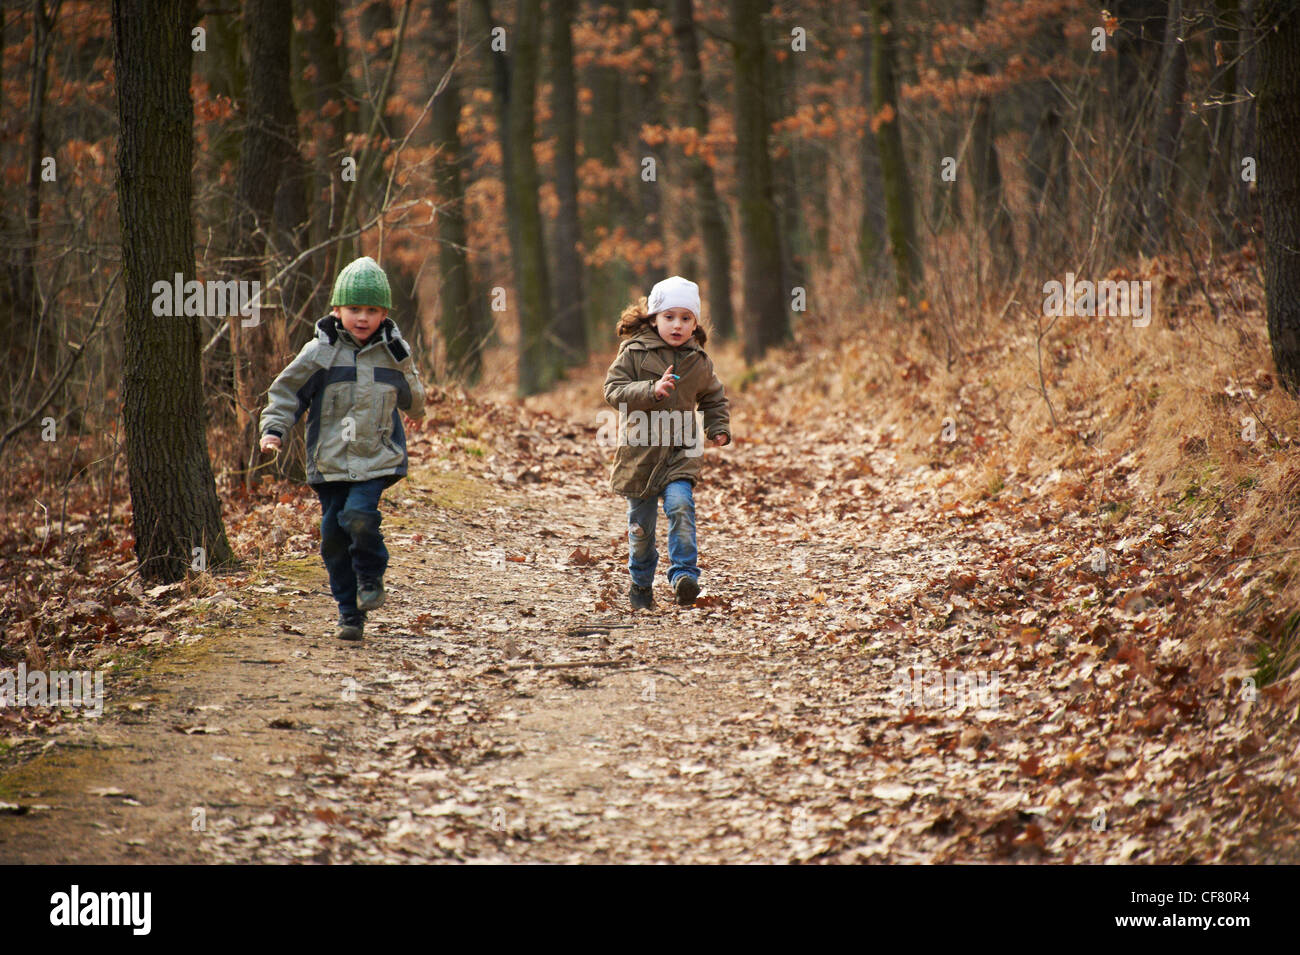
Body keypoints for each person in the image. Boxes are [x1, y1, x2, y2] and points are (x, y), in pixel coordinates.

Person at [258, 256, 425, 640]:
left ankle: (371, 578)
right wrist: (274, 429)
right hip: (329, 461)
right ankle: (350, 614)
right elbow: (287, 392)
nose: (362, 318)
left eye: (372, 310)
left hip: (376, 457)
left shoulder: (395, 352)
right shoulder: (320, 353)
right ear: (336, 310)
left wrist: (416, 410)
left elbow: (413, 388)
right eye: (354, 309)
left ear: (384, 314)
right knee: (333, 536)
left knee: (359, 516)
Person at [603, 275, 731, 610]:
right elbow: (613, 391)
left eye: (686, 318)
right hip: (640, 452)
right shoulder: (633, 353)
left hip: (680, 451)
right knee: (641, 530)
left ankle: (684, 576)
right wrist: (650, 390)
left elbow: (714, 398)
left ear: (695, 323)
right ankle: (641, 585)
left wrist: (717, 427)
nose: (677, 325)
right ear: (654, 318)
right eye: (669, 317)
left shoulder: (698, 362)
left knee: (680, 507)